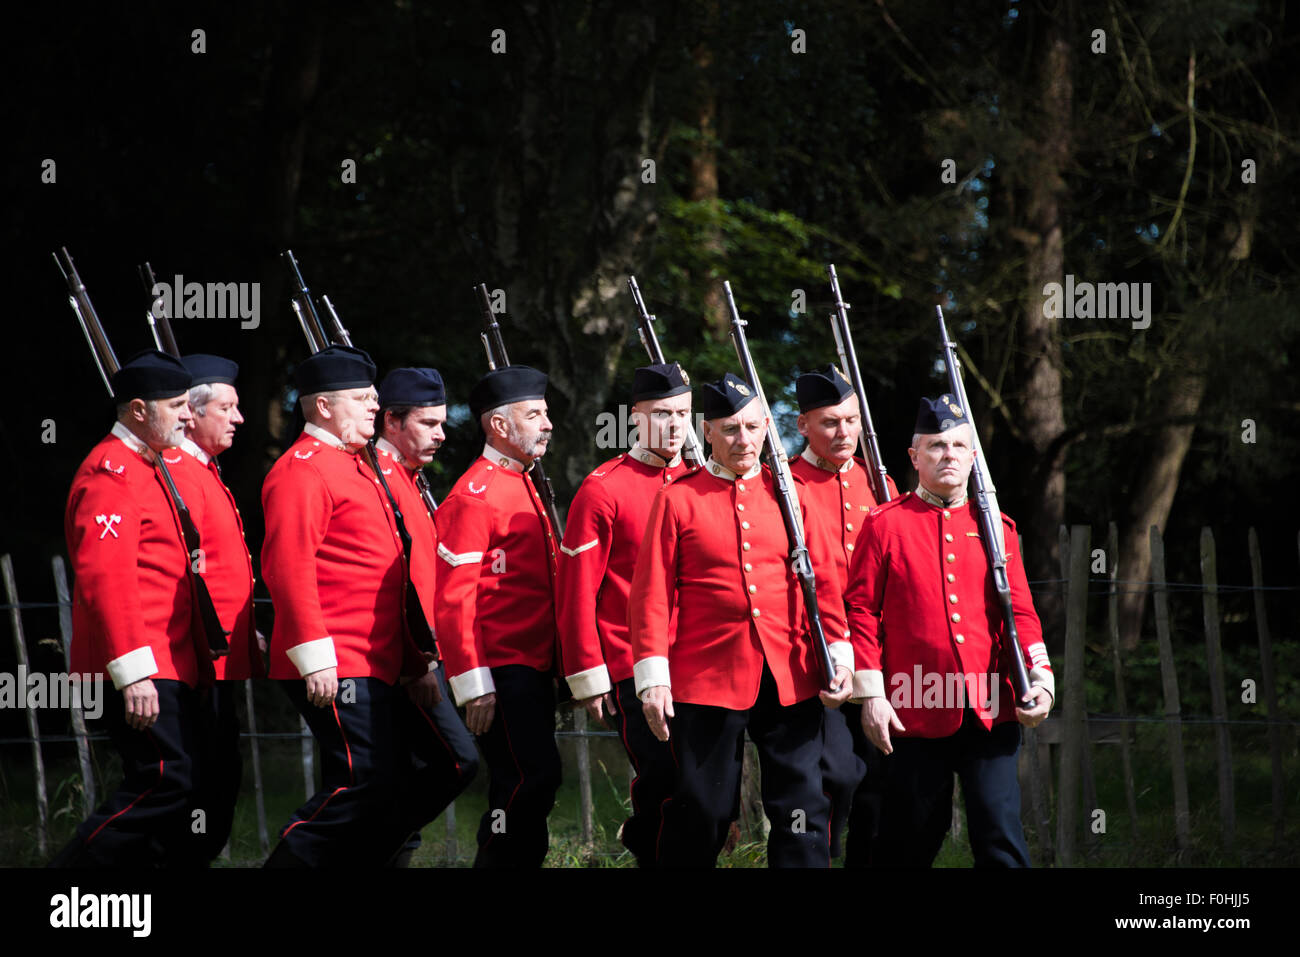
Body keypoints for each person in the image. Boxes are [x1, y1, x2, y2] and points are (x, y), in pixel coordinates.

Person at [630, 372, 854, 868]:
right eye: (730, 429)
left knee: (802, 808)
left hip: (790, 671)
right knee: (704, 809)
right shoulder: (678, 498)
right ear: (706, 431)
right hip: (708, 677)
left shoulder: (791, 495)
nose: (744, 439)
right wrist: (653, 679)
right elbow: (651, 596)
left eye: (754, 427)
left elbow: (828, 584)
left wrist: (838, 653)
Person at [845, 394, 1054, 867]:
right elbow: (860, 612)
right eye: (937, 446)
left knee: (999, 835)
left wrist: (1041, 678)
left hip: (991, 706)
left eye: (960, 446)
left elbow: (1021, 611)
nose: (949, 455)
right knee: (908, 839)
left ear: (973, 456)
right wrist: (872, 694)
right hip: (915, 705)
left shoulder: (999, 528)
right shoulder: (884, 526)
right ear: (914, 458)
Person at [261, 344, 418, 866]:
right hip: (336, 656)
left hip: (371, 657)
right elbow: (288, 566)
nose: (375, 406)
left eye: (374, 397)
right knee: (362, 782)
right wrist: (314, 653)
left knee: (381, 784)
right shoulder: (303, 469)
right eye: (360, 398)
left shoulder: (354, 464)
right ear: (324, 406)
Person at [52, 350, 211, 866]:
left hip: (166, 657)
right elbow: (107, 579)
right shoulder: (111, 472)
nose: (190, 415)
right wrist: (133, 673)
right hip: (139, 660)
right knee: (164, 780)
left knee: (176, 783)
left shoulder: (149, 464)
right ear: (139, 410)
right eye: (179, 405)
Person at [556, 362, 695, 867]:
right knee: (664, 782)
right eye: (662, 414)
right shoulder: (603, 489)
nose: (676, 425)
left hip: (701, 664)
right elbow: (576, 592)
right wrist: (589, 678)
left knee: (701, 789)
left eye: (683, 413)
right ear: (635, 418)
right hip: (630, 666)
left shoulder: (702, 481)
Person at [434, 365, 561, 868]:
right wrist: (473, 682)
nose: (548, 423)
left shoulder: (525, 482)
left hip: (533, 664)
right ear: (499, 426)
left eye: (547, 413)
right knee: (529, 779)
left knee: (534, 782)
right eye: (535, 415)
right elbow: (453, 598)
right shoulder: (475, 495)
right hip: (503, 669)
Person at [789, 365, 897, 864]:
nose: (844, 432)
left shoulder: (880, 483)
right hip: (816, 656)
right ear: (803, 424)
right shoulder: (785, 485)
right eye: (830, 422)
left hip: (878, 654)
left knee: (880, 786)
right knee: (836, 777)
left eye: (851, 420)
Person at [374, 366, 479, 863]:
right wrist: (419, 662)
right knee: (457, 761)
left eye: (442, 423)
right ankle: (361, 846)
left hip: (415, 657)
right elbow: (394, 583)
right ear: (391, 421)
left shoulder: (409, 480)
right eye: (428, 423)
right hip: (398, 661)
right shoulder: (380, 479)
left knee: (401, 777)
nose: (442, 434)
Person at [168, 353, 262, 865]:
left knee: (217, 785)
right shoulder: (179, 472)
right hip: (197, 660)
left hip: (219, 655)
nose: (238, 417)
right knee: (200, 789)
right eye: (227, 407)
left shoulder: (203, 470)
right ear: (193, 412)